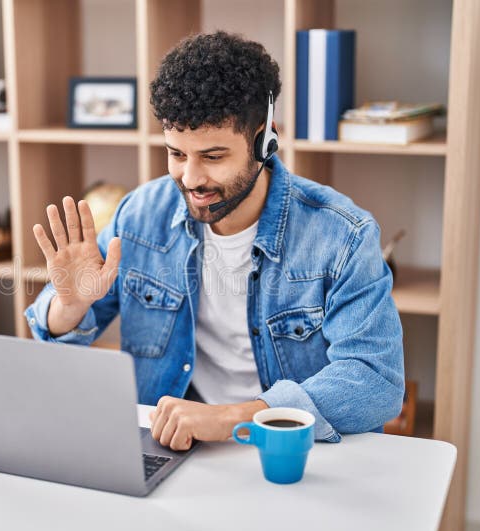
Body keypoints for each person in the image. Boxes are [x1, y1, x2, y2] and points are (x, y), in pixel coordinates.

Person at [25, 31, 404, 451]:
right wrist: (70, 307)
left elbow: (375, 380)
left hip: (289, 454)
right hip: (175, 448)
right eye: (176, 154)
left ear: (265, 140)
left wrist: (230, 418)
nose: (190, 179)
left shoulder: (342, 236)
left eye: (212, 157)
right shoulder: (139, 215)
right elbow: (53, 331)